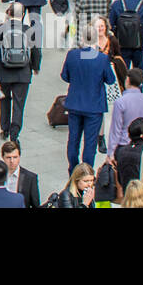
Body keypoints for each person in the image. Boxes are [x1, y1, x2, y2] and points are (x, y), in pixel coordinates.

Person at [60, 22, 117, 172]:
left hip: (75, 103)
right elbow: (110, 79)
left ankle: (72, 167)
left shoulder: (72, 55)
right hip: (94, 105)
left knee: (73, 139)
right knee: (90, 142)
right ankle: (86, 170)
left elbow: (65, 76)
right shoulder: (101, 59)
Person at [0, 2, 41, 145]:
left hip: (4, 71)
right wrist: (36, 67)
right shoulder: (29, 30)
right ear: (23, 15)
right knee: (19, 103)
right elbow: (36, 51)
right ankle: (14, 133)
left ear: (8, 13)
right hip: (23, 73)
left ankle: (4, 128)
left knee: (4, 100)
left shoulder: (0, 29)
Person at [0, 139, 41, 208]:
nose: (12, 161)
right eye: (8, 157)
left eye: (15, 157)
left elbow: (35, 204)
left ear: (19, 157)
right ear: (3, 158)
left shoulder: (30, 178)